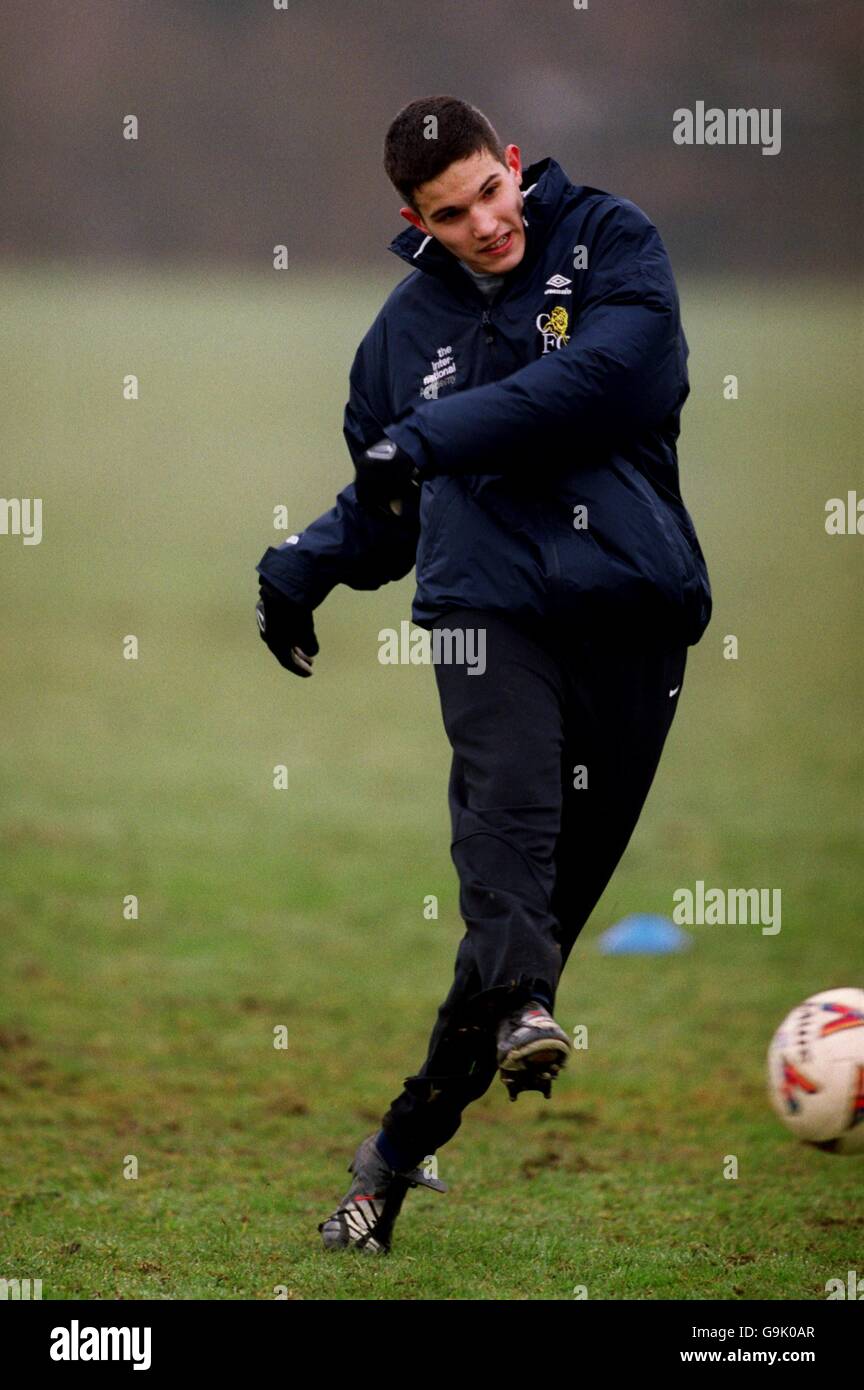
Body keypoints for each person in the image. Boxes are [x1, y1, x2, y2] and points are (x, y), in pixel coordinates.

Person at [255, 96, 712, 1255]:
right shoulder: (401, 336)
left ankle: (397, 1149)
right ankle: (521, 1007)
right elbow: (386, 499)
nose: (485, 225)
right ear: (418, 216)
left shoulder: (612, 240)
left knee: (541, 918)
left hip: (631, 609)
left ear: (513, 166)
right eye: (451, 215)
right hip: (483, 608)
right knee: (505, 827)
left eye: (492, 194)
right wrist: (303, 564)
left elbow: (614, 381)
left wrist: (435, 435)